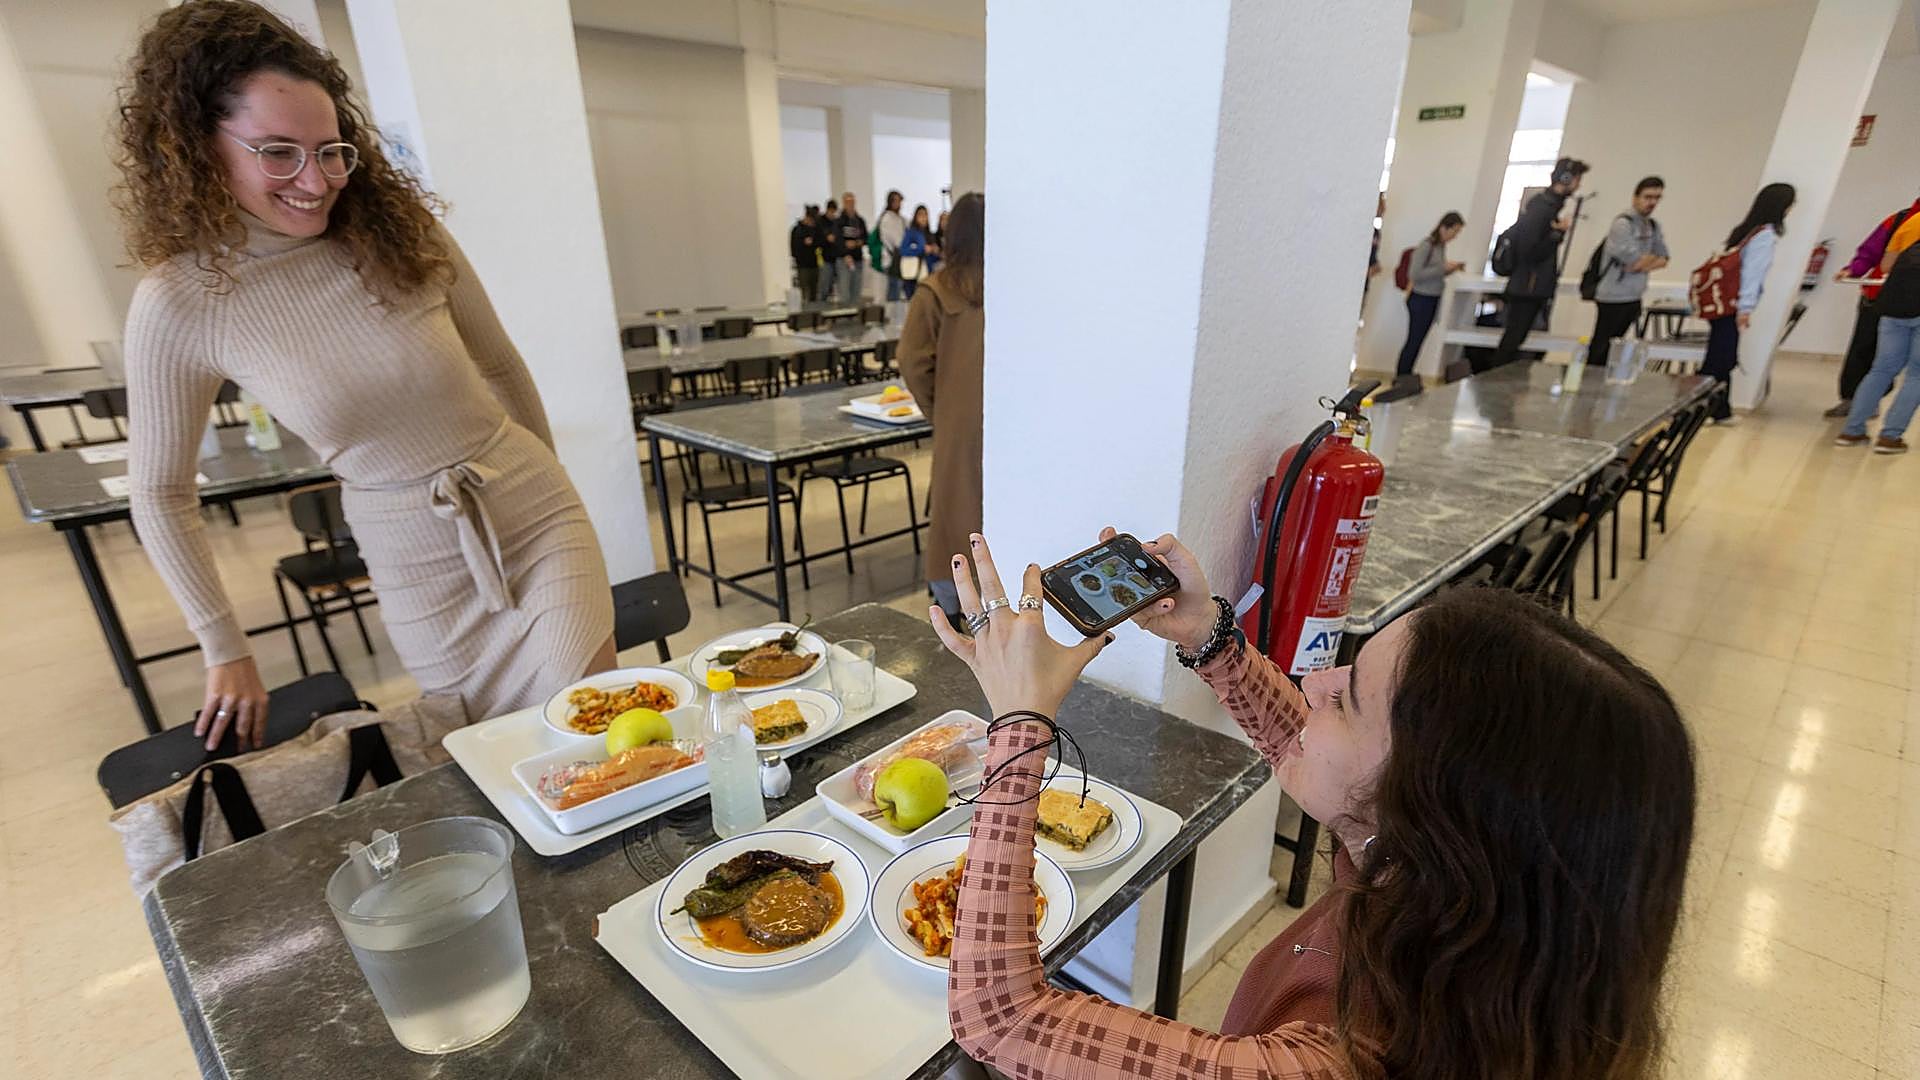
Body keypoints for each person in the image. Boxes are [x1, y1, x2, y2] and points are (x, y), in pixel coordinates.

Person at [929, 531, 1694, 1080]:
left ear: (1435, 813)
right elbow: (1318, 749)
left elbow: (1002, 1018)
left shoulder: (1351, 1060)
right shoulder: (1485, 920)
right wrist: (1208, 637)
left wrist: (1020, 726)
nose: (1320, 683)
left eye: (1351, 699)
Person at [117, 0, 616, 748]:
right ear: (195, 145)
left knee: (595, 735)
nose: (315, 181)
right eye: (277, 151)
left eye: (330, 150)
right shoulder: (183, 301)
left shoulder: (400, 234)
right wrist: (225, 646)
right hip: (411, 553)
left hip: (535, 511)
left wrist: (555, 483)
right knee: (499, 757)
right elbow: (159, 490)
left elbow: (502, 366)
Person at [900, 193, 984, 621]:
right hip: (1010, 426)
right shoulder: (1013, 291)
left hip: (957, 424)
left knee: (956, 517)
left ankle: (952, 609)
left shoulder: (935, 292)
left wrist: (944, 411)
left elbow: (912, 364)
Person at [1702, 183, 1795, 425]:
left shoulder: (1745, 231)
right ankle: (1706, 407)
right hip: (1732, 304)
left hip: (1721, 302)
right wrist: (1745, 308)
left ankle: (1719, 409)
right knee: (1722, 358)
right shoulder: (1764, 236)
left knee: (1720, 355)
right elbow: (1752, 274)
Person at [1825, 194, 1920, 418]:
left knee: (1889, 362)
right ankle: (1854, 402)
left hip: (1906, 303)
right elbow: (1870, 252)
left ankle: (1866, 408)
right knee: (1864, 349)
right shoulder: (1899, 220)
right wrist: (1852, 270)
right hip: (1879, 298)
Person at [1489, 157, 1589, 371]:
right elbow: (1530, 250)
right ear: (1566, 178)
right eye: (1577, 179)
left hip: (1532, 287)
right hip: (1527, 287)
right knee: (1512, 341)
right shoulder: (1542, 208)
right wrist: (1557, 233)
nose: (1579, 185)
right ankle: (1493, 386)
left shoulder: (1548, 207)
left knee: (1517, 340)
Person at [1836, 221, 1920, 453]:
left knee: (1881, 369)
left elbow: (1886, 265)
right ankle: (1890, 437)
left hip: (1893, 304)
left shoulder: (1910, 222)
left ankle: (1852, 431)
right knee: (1917, 375)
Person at [1588, 177, 1670, 370]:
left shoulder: (1653, 226)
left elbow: (1664, 258)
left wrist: (1645, 262)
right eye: (1648, 197)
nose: (1652, 202)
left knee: (1616, 348)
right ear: (1635, 197)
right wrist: (1647, 260)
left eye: (1657, 198)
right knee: (1601, 348)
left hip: (1634, 295)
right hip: (1612, 296)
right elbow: (1634, 262)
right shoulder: (1623, 224)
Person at [1395, 212, 1465, 378]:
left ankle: (1406, 376)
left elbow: (1434, 274)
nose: (1455, 236)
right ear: (1443, 228)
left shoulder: (1440, 247)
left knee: (1418, 342)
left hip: (1431, 298)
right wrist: (1443, 268)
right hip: (1420, 299)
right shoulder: (1427, 245)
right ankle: (1401, 378)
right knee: (1413, 341)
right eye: (1454, 231)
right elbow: (1414, 274)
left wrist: (1450, 269)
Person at [836, 191, 869, 305]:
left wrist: (858, 243)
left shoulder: (860, 221)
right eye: (848, 202)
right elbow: (837, 240)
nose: (850, 205)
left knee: (856, 291)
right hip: (844, 260)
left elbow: (866, 237)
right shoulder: (839, 221)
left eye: (852, 202)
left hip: (857, 259)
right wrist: (845, 253)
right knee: (845, 292)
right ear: (844, 203)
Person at [877, 189, 907, 301]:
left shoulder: (901, 219)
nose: (899, 204)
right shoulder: (887, 218)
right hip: (892, 260)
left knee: (899, 290)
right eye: (897, 201)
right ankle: (891, 316)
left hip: (900, 258)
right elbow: (897, 240)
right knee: (894, 290)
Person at [898, 204, 932, 300]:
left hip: (926, 272)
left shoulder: (928, 234)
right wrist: (920, 249)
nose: (923, 218)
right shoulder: (911, 232)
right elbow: (903, 250)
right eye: (921, 215)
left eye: (925, 215)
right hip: (913, 272)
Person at [790, 204, 822, 302]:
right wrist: (803, 243)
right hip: (803, 265)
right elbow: (794, 249)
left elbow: (820, 242)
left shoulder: (816, 230)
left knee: (814, 291)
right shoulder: (797, 230)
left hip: (814, 264)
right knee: (805, 291)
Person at [815, 199, 842, 301]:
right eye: (831, 212)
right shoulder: (820, 222)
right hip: (824, 258)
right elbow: (816, 240)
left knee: (836, 286)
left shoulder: (837, 222)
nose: (833, 214)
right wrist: (826, 239)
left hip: (836, 257)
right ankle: (821, 306)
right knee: (824, 286)